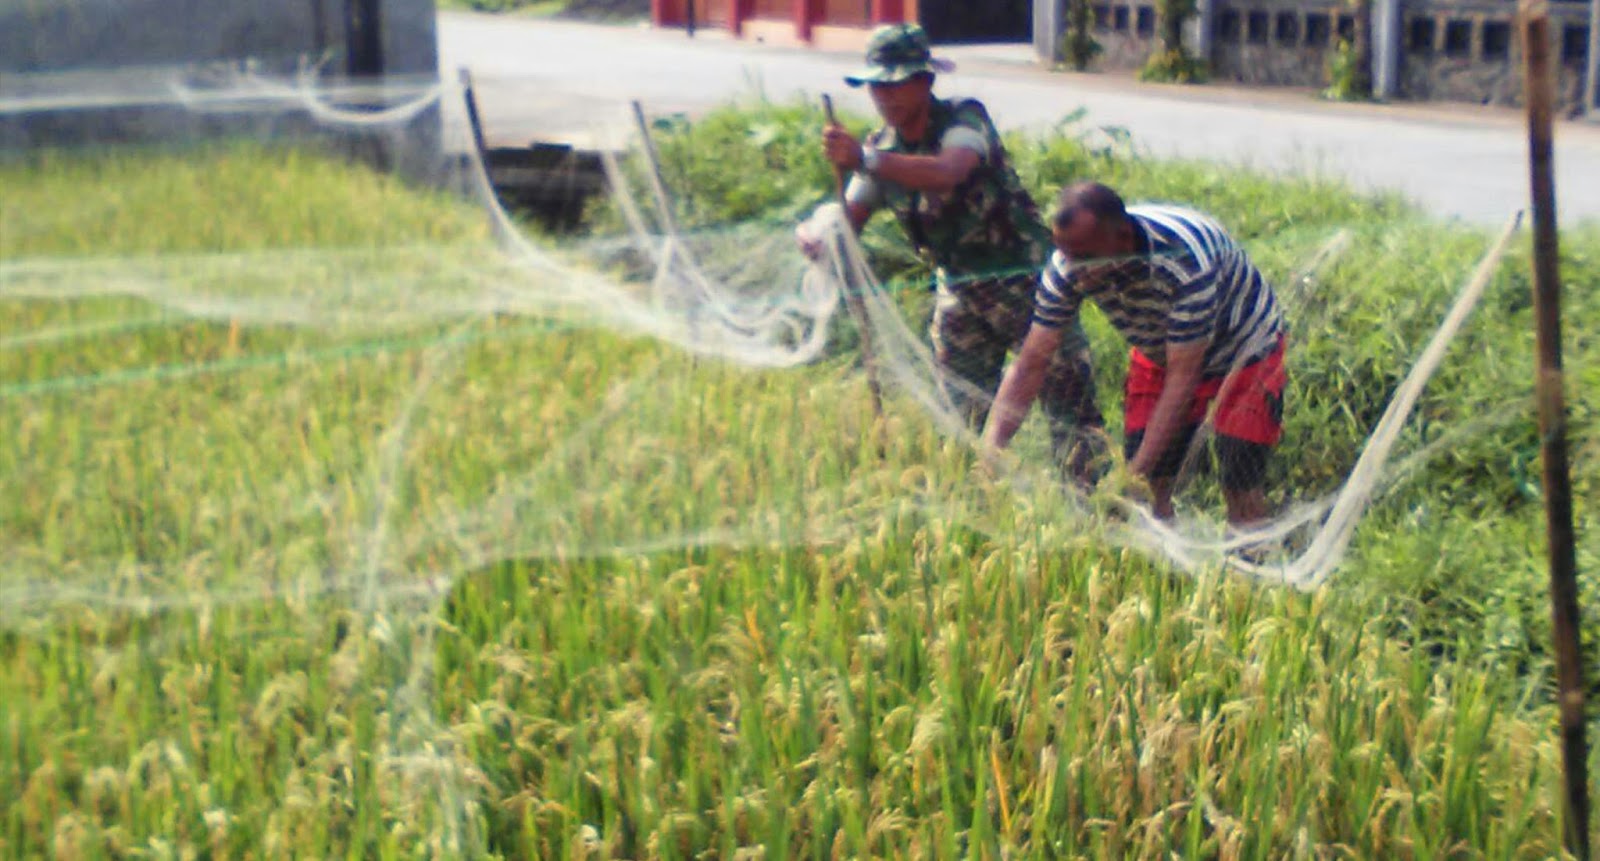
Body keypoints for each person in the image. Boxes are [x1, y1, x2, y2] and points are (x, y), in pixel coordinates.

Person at [795, 23, 1103, 481]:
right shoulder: (881, 148)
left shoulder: (963, 120)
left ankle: (1091, 507)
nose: (886, 96)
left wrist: (865, 160)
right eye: (878, 86)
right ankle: (969, 500)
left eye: (897, 83)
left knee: (1068, 404)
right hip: (959, 291)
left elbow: (949, 171)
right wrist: (823, 235)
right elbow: (851, 216)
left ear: (925, 81)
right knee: (958, 412)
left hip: (1027, 284)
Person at [982, 181, 1288, 529]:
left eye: (1085, 257)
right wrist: (992, 448)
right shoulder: (1068, 265)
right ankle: (1165, 574)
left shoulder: (1185, 264)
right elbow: (1032, 361)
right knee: (1152, 487)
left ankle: (1250, 565)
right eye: (1065, 254)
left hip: (1245, 351)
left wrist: (1129, 479)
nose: (1074, 269)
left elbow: (1183, 379)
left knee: (1239, 483)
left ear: (1123, 241)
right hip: (1160, 350)